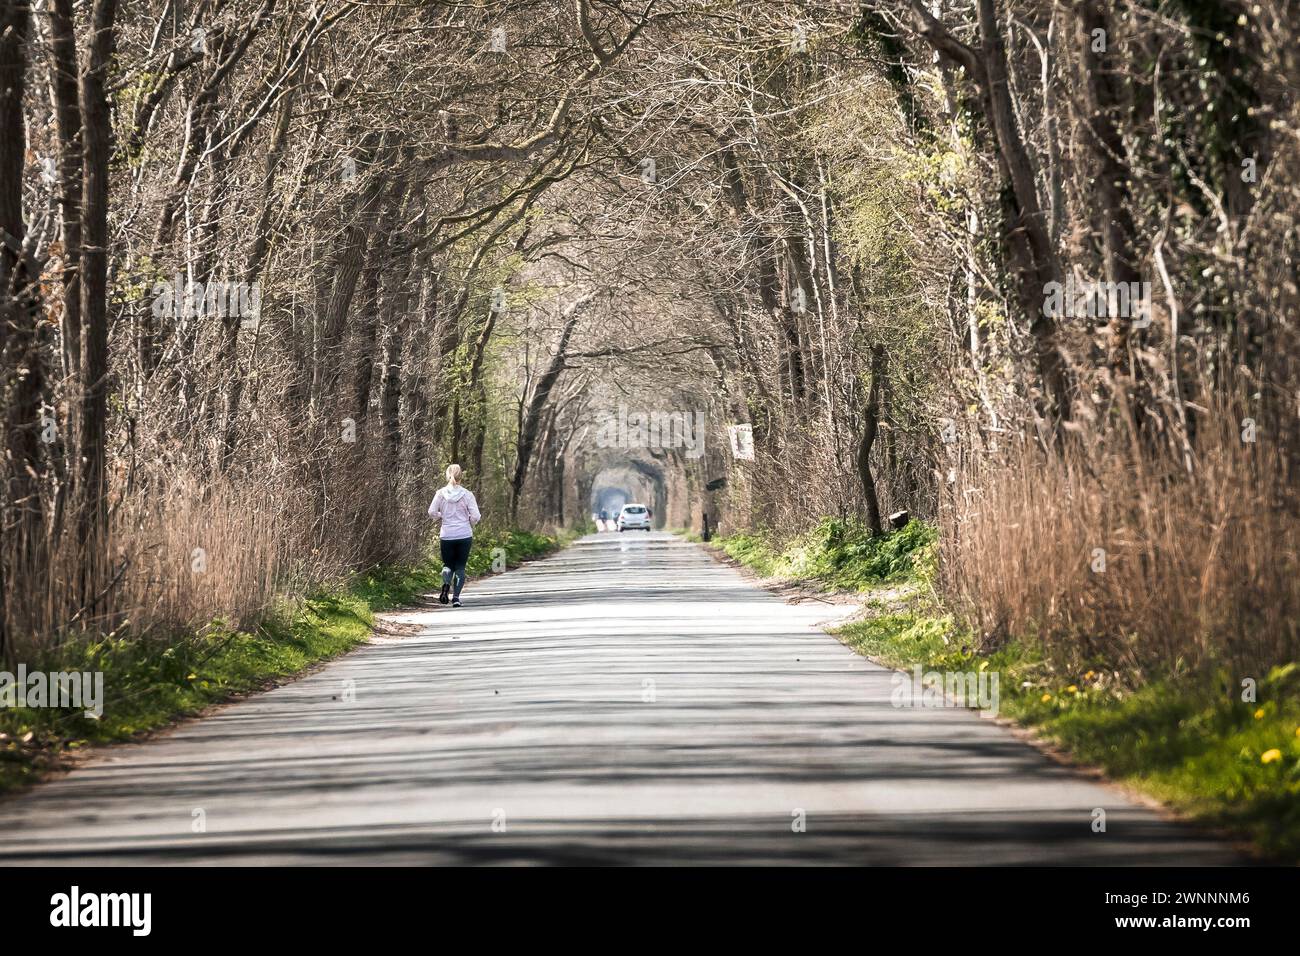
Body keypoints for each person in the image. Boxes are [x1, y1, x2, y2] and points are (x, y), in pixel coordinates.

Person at [427, 463, 481, 607]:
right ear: (460, 476)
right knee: (460, 567)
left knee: (447, 565)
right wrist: (469, 521)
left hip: (447, 535)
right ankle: (456, 598)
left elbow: (431, 512)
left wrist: (441, 515)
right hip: (464, 534)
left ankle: (445, 584)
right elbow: (476, 516)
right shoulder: (467, 495)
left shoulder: (440, 493)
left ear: (447, 475)